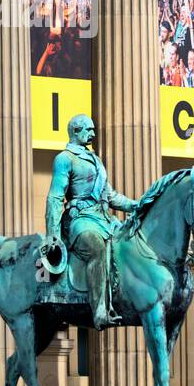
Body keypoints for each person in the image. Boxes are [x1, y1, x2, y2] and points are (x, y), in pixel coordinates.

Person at [41, 114, 140, 330]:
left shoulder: (96, 160)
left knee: (130, 245)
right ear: (75, 131)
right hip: (80, 220)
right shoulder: (65, 159)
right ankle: (99, 311)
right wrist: (53, 233)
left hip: (103, 218)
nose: (93, 134)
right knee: (96, 249)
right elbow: (55, 197)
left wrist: (136, 205)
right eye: (89, 129)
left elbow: (111, 195)